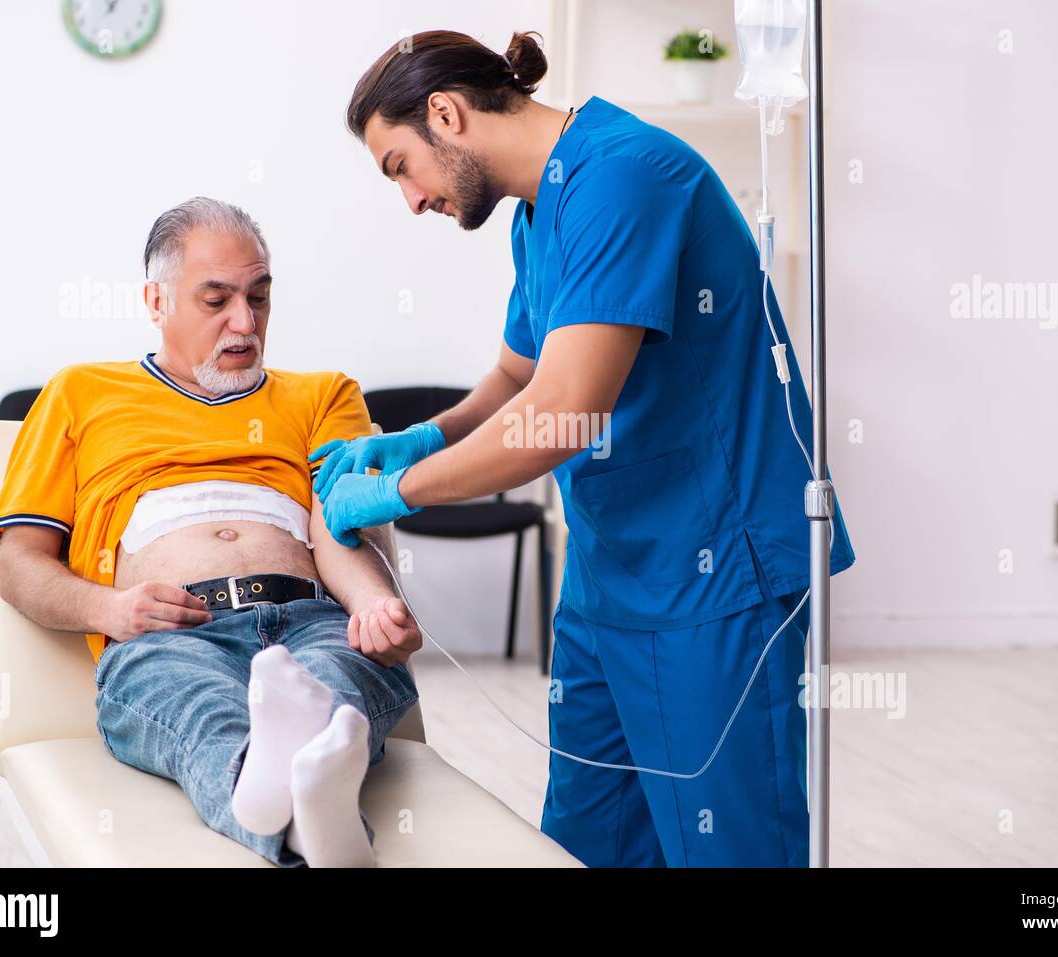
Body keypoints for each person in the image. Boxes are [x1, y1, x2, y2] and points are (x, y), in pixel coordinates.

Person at [312, 30, 857, 867]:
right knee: (589, 843)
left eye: (399, 167)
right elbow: (515, 375)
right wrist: (412, 438)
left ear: (447, 114)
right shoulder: (536, 215)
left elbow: (563, 414)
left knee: (730, 849)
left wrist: (402, 492)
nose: (411, 200)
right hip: (611, 579)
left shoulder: (623, 176)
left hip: (712, 575)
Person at [0, 197, 420, 867]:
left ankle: (298, 814)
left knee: (336, 675)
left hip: (311, 619)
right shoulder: (78, 393)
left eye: (259, 297)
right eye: (215, 300)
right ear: (156, 301)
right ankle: (314, 819)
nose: (244, 323)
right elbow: (19, 566)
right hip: (169, 634)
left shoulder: (325, 394)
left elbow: (336, 528)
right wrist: (111, 609)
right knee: (201, 710)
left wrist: (371, 603)